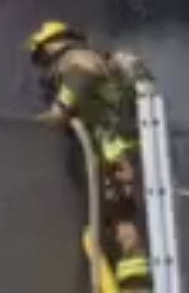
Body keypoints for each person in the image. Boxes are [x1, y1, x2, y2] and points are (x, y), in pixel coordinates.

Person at [28, 21, 154, 292]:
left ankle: (135, 287)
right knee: (119, 222)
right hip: (126, 151)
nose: (43, 65)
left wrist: (59, 110)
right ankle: (133, 284)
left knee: (120, 222)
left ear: (50, 45)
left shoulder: (73, 58)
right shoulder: (108, 63)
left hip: (115, 156)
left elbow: (83, 75)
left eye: (41, 56)